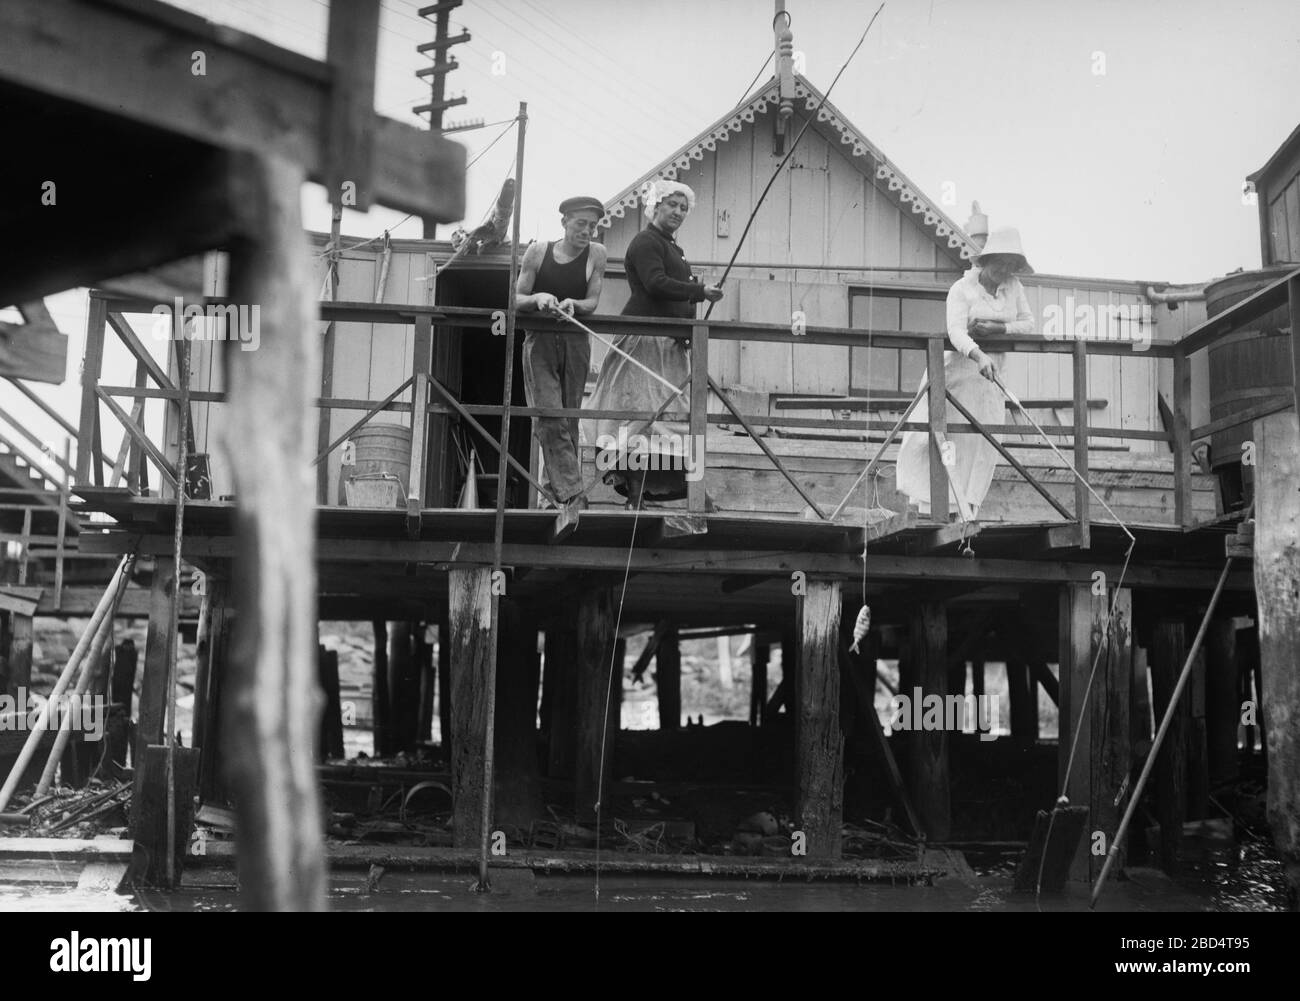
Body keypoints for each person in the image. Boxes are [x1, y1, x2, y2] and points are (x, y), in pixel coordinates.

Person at [584, 179, 723, 508]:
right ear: (655, 206)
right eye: (672, 204)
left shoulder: (675, 248)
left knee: (672, 418)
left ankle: (682, 492)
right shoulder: (646, 242)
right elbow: (655, 283)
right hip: (645, 342)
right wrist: (699, 291)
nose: (678, 212)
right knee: (640, 417)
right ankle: (634, 496)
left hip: (669, 345)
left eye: (684, 208)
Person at [895, 227, 1035, 521]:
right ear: (987, 260)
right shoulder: (962, 289)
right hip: (958, 373)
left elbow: (1028, 322)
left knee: (982, 440)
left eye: (1011, 265)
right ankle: (932, 508)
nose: (1005, 270)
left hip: (989, 378)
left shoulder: (1014, 288)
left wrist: (999, 330)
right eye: (1001, 263)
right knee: (944, 439)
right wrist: (978, 354)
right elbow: (955, 331)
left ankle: (967, 509)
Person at [515, 195, 609, 515]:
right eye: (581, 224)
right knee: (549, 416)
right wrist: (538, 297)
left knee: (567, 421)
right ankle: (572, 495)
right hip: (539, 342)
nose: (587, 231)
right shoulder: (538, 252)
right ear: (564, 222)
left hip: (575, 340)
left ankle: (549, 498)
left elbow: (592, 302)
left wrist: (573, 305)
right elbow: (516, 298)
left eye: (593, 226)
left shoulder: (597, 254)